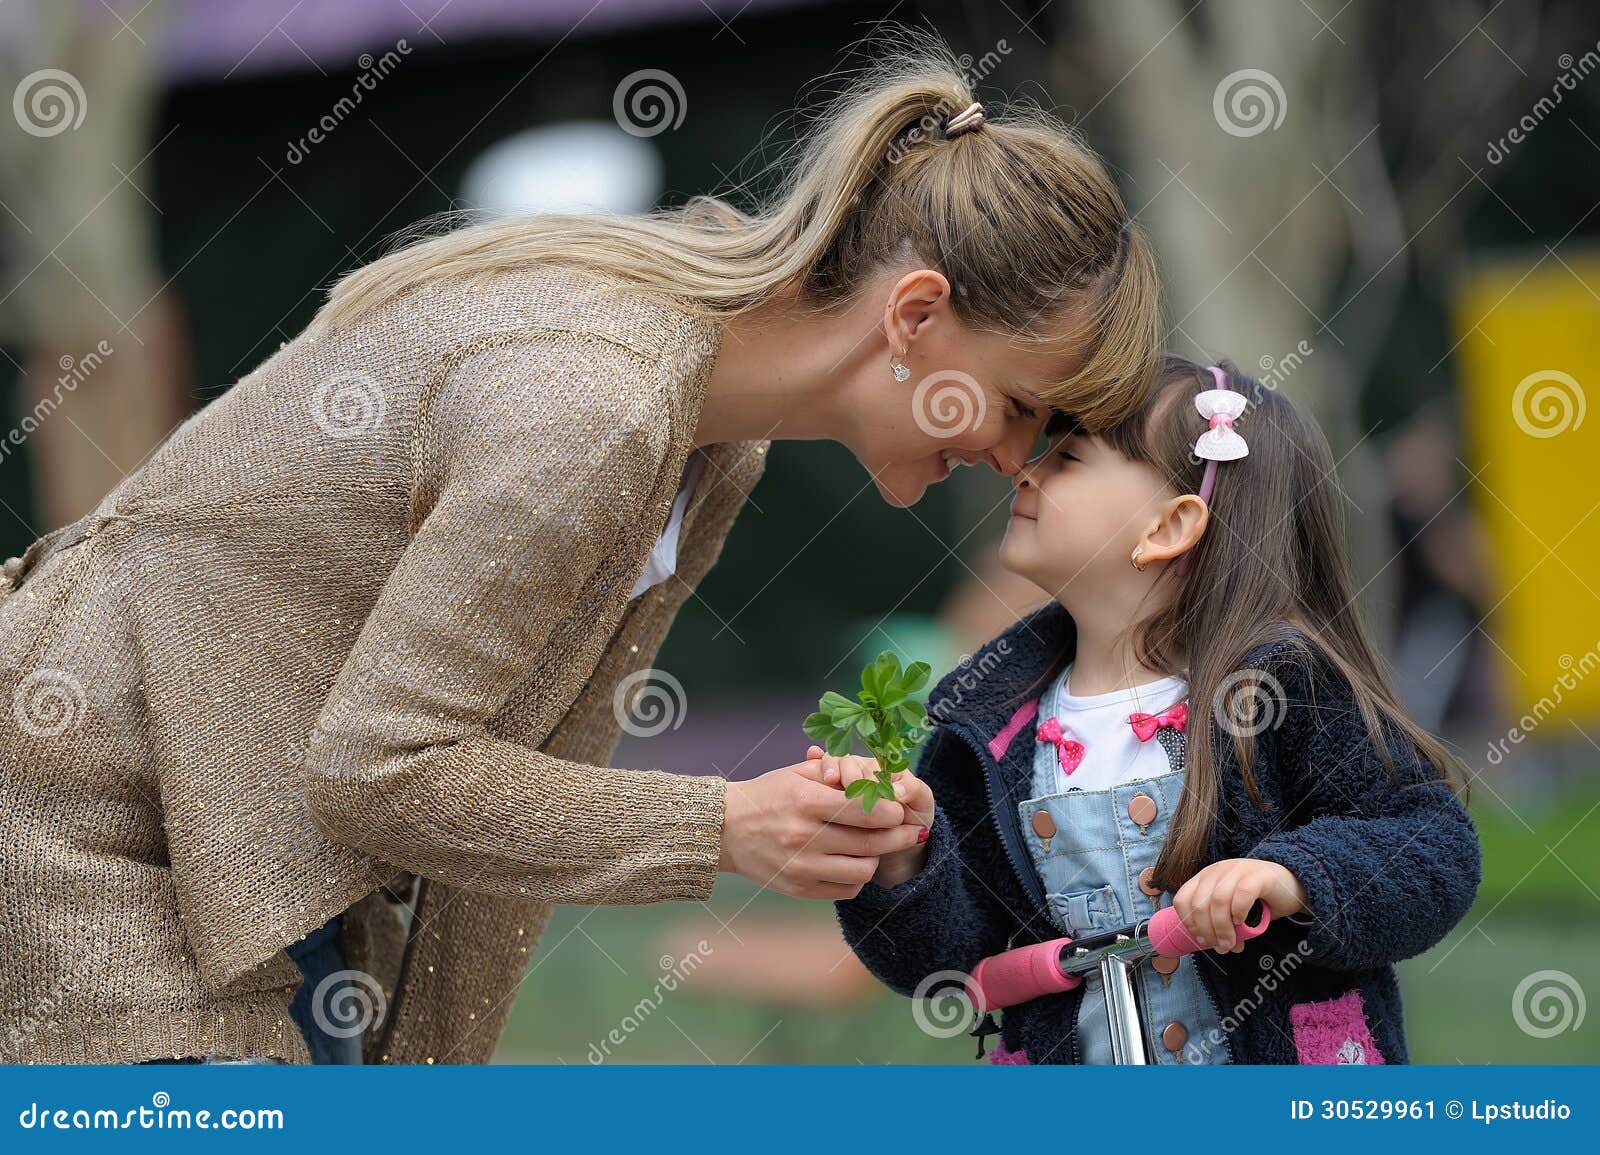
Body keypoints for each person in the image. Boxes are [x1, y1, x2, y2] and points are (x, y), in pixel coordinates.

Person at [0, 34, 1160, 1064]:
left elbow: (452, 798)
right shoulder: (596, 409)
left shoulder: (711, 433)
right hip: (96, 843)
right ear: (912, 317)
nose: (1018, 460)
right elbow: (378, 770)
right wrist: (723, 828)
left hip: (239, 856)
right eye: (1017, 406)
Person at [823, 356, 1482, 1064]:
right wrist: (901, 863)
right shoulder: (990, 731)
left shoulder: (1281, 690)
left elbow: (1433, 846)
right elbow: (947, 961)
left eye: (1068, 455)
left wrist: (1290, 876)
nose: (1026, 469)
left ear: (1169, 526)